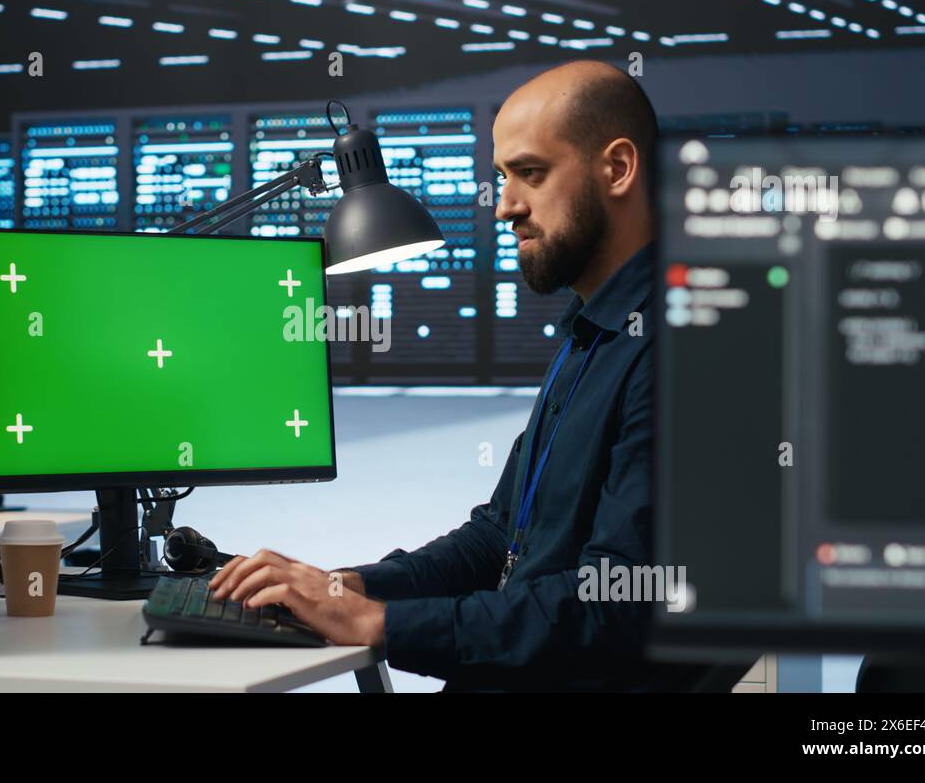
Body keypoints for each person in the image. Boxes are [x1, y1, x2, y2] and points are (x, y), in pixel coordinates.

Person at [210, 60, 696, 691]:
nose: (505, 208)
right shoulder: (592, 332)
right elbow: (498, 539)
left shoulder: (676, 351)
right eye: (501, 177)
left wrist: (382, 624)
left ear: (618, 168)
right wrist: (347, 587)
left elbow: (614, 610)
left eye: (530, 174)